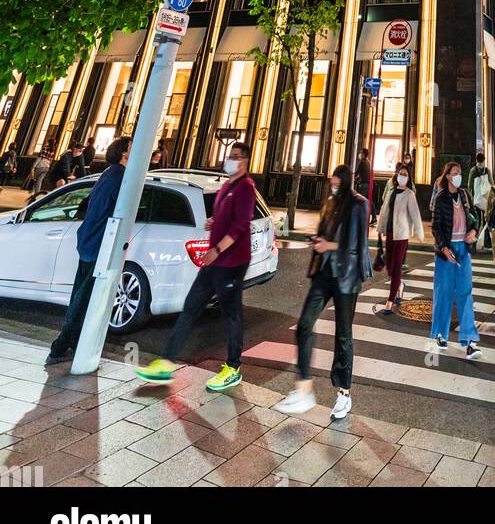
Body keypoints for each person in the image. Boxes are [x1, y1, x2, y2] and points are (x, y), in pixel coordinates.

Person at [137, 141, 257, 392]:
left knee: (232, 314)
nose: (231, 160)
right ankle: (166, 363)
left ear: (245, 161)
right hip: (214, 262)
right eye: (230, 155)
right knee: (191, 307)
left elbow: (240, 226)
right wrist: (214, 221)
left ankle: (233, 368)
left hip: (231, 263)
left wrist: (217, 249)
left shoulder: (246, 187)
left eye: (236, 157)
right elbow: (226, 217)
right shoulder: (227, 186)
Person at [275, 164, 372, 419]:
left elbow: (357, 243)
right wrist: (319, 242)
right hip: (324, 273)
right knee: (305, 324)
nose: (333, 186)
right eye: (332, 183)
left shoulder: (359, 204)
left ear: (347, 181)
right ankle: (304, 388)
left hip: (347, 277)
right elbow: (324, 234)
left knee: (343, 335)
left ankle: (344, 393)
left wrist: (328, 244)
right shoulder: (330, 202)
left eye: (337, 183)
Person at [47, 137, 130, 364]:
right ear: (124, 152)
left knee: (82, 296)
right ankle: (61, 346)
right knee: (84, 299)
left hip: (90, 242)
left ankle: (72, 343)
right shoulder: (119, 178)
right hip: (99, 243)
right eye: (133, 147)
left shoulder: (109, 174)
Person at [430, 161, 482, 359]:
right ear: (448, 176)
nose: (459, 176)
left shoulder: (465, 195)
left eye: (460, 172)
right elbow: (436, 227)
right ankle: (441, 334)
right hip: (447, 252)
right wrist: (443, 248)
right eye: (455, 173)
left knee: (465, 293)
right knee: (443, 293)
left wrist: (473, 231)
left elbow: (476, 216)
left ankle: (470, 341)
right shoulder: (442, 197)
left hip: (463, 249)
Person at [373, 162, 424, 316]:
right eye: (400, 174)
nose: (402, 177)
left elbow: (415, 215)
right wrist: (380, 229)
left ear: (409, 178)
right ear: (396, 175)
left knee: (396, 267)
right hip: (389, 232)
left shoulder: (410, 194)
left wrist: (420, 233)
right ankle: (400, 285)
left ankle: (390, 300)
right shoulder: (391, 192)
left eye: (405, 174)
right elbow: (384, 211)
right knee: (389, 267)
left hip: (402, 235)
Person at [468, 151, 493, 227]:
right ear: (484, 160)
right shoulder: (487, 170)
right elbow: (491, 183)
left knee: (477, 216)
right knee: (486, 216)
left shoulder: (473, 170)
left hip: (477, 197)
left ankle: (477, 231)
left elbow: (470, 185)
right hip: (486, 197)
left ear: (476, 160)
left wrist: (471, 196)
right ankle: (484, 232)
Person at [355, 147, 374, 224]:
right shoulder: (368, 162)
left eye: (360, 152)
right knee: (368, 200)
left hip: (364, 184)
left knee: (361, 200)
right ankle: (373, 217)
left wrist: (353, 177)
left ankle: (361, 217)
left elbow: (357, 173)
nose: (359, 154)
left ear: (363, 154)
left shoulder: (362, 162)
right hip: (369, 184)